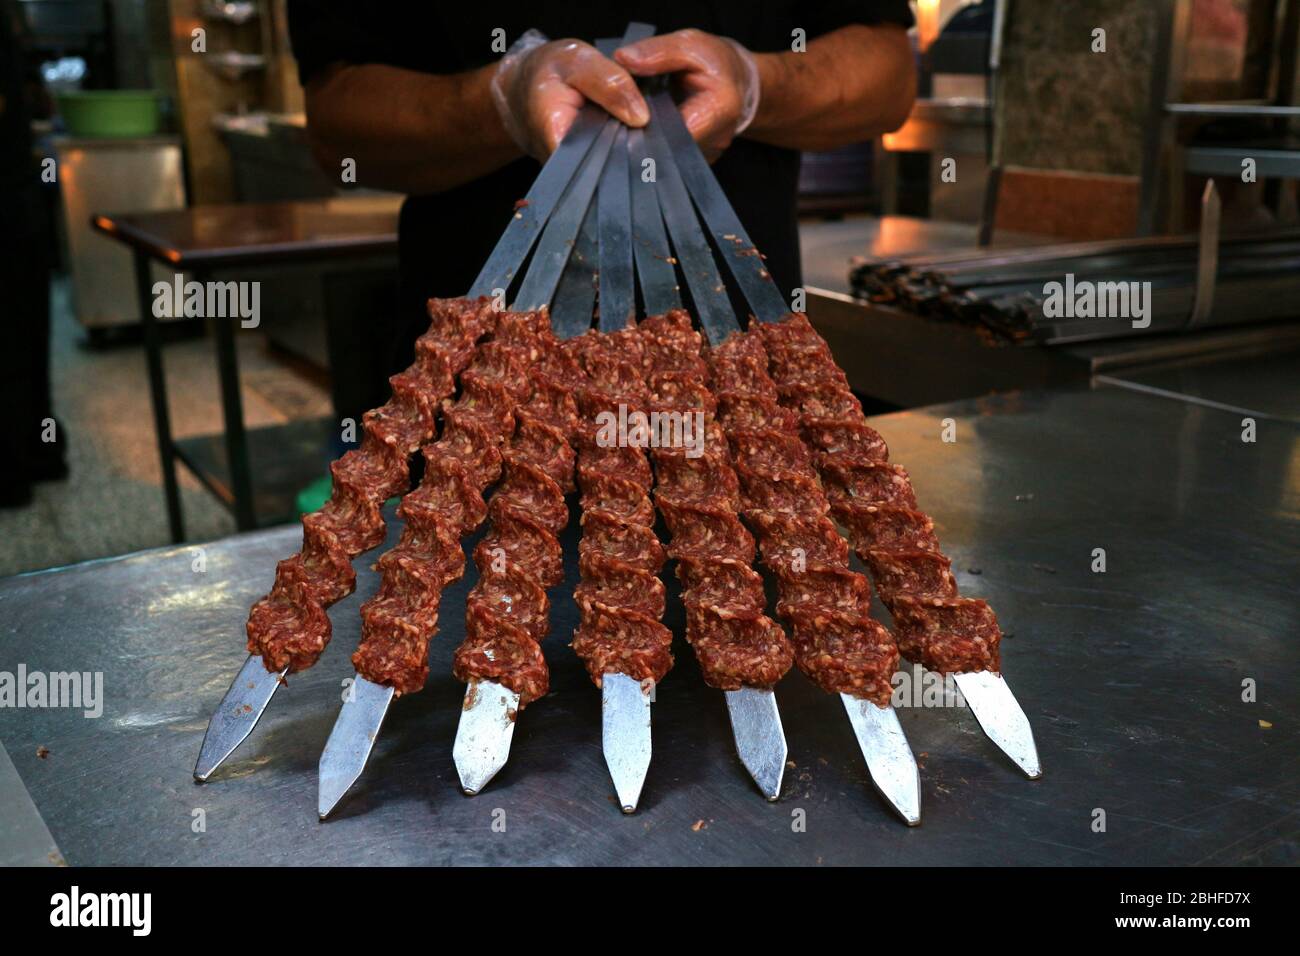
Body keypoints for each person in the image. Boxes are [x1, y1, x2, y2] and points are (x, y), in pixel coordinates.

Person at [287, 2, 915, 385]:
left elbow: (887, 75)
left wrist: (759, 84)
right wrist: (499, 100)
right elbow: (338, 122)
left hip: (746, 397)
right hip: (476, 403)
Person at [0, 0, 64, 507]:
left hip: (10, 195)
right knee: (23, 336)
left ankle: (19, 463)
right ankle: (35, 453)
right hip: (16, 195)